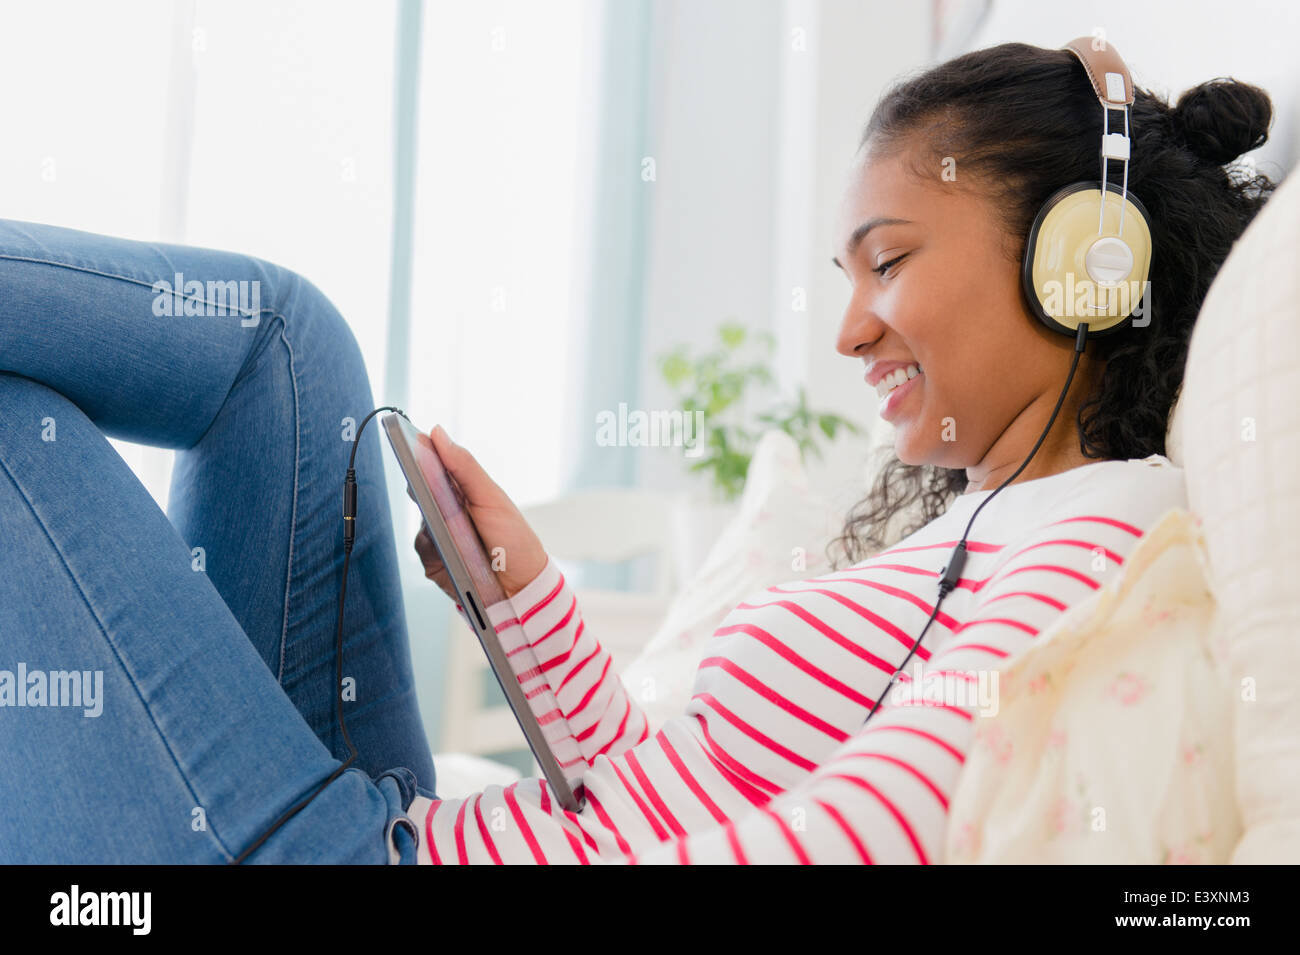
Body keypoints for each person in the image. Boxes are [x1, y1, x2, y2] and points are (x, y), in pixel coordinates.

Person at [0, 41, 1275, 864]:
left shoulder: (1103, 541)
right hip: (417, 828)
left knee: (23, 432)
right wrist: (527, 601)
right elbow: (661, 788)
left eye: (888, 262)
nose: (846, 330)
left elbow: (876, 836)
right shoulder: (964, 532)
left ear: (1081, 268)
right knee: (285, 347)